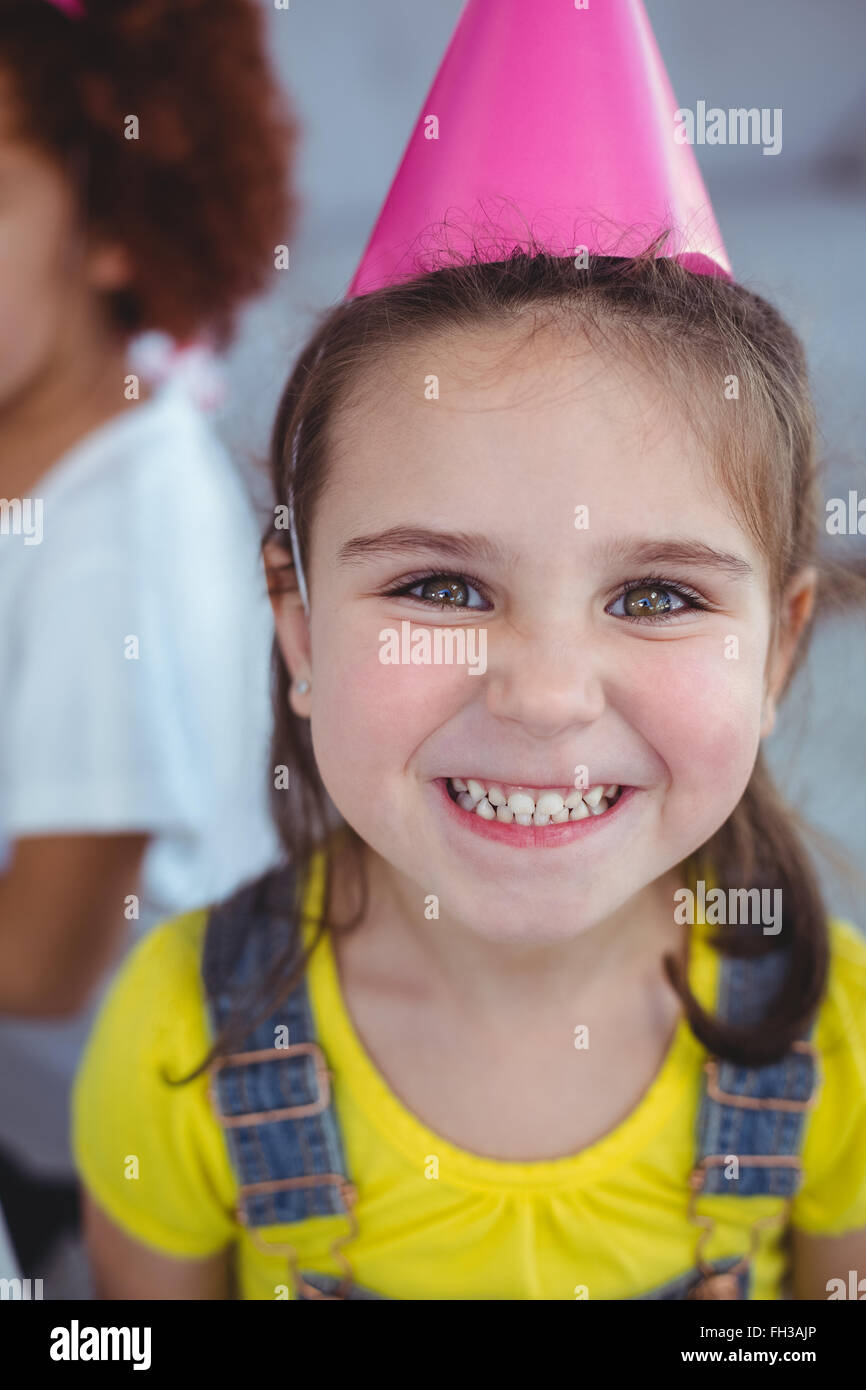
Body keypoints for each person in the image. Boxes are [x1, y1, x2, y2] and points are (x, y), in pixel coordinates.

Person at [72, 0, 866, 1300]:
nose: (544, 696)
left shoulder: (831, 1043)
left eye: (657, 595)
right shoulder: (179, 1042)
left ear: (775, 652)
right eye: (440, 583)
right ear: (299, 627)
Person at [0, 0, 294, 1274]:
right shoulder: (39, 446)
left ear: (116, 223)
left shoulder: (119, 530)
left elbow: (44, 960)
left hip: (110, 1182)